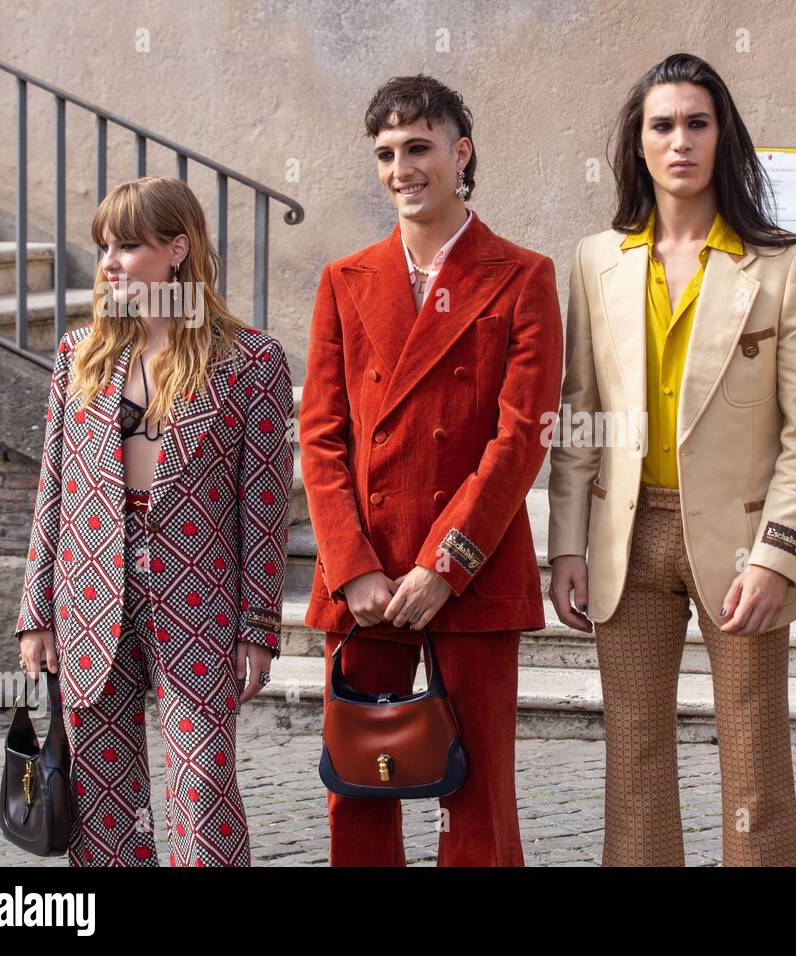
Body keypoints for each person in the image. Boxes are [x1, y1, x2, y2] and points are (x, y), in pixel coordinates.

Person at [547, 53, 796, 866]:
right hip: (626, 539)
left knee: (755, 765)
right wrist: (566, 546)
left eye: (697, 124)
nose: (680, 141)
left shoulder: (787, 264)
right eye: (663, 125)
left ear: (723, 136)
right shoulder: (597, 260)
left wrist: (780, 556)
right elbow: (579, 414)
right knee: (634, 762)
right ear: (638, 143)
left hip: (744, 546)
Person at [299, 74, 563, 867]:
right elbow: (321, 436)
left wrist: (448, 565)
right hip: (367, 578)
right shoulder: (345, 279)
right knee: (358, 788)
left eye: (418, 148)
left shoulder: (522, 275)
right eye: (385, 153)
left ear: (461, 153)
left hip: (470, 570)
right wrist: (351, 567)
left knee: (477, 798)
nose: (400, 169)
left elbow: (520, 439)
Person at [13, 175, 294, 866]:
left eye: (128, 246)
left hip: (198, 602)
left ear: (177, 249)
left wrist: (258, 626)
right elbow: (54, 490)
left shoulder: (251, 361)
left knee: (203, 792)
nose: (110, 262)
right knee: (101, 800)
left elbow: (264, 510)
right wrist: (35, 614)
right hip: (86, 596)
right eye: (104, 246)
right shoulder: (80, 354)